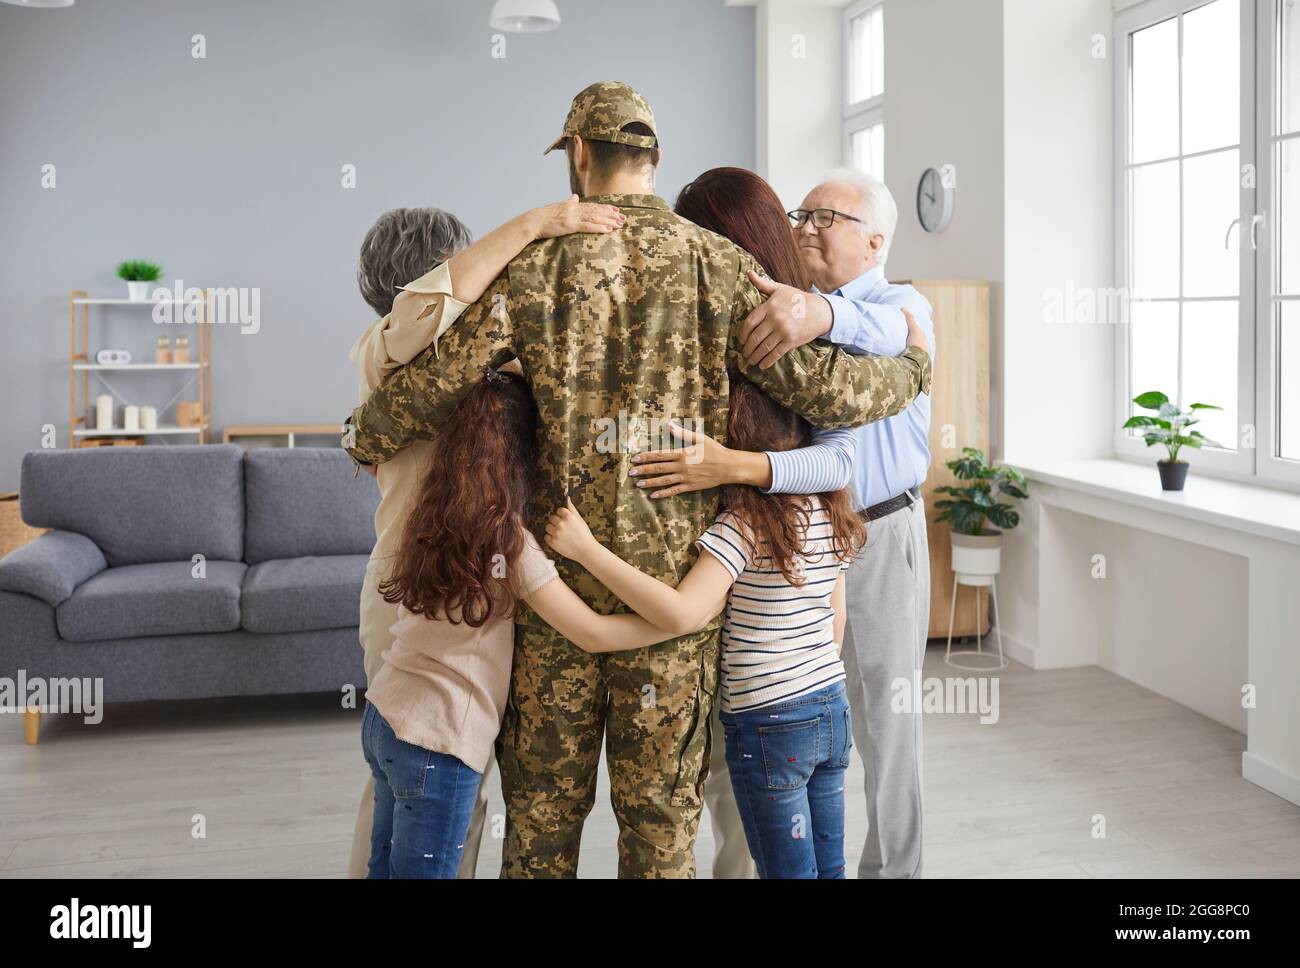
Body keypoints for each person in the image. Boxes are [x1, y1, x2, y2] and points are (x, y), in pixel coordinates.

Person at [344, 81, 933, 878]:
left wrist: (365, 434)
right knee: (660, 836)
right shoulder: (718, 266)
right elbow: (831, 391)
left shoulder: (535, 268)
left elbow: (437, 381)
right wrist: (916, 363)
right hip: (671, 609)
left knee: (540, 832)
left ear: (579, 155)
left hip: (554, 600)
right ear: (654, 159)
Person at [628, 168, 936, 879]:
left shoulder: (898, 305)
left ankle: (894, 872)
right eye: (801, 214)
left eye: (827, 217)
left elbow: (901, 337)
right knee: (787, 712)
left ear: (876, 240)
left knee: (886, 725)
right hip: (783, 536)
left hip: (879, 530)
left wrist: (820, 315)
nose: (806, 228)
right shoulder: (772, 309)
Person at [346, 199, 624, 878]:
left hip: (487, 578)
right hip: (417, 584)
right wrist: (534, 224)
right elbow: (428, 307)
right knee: (420, 769)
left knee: (448, 773)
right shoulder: (386, 345)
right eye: (467, 260)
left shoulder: (482, 356)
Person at [545, 369, 870, 878]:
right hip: (831, 706)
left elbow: (682, 611)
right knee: (829, 868)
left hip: (770, 722)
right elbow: (837, 617)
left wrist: (587, 550)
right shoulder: (832, 511)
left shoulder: (745, 525)